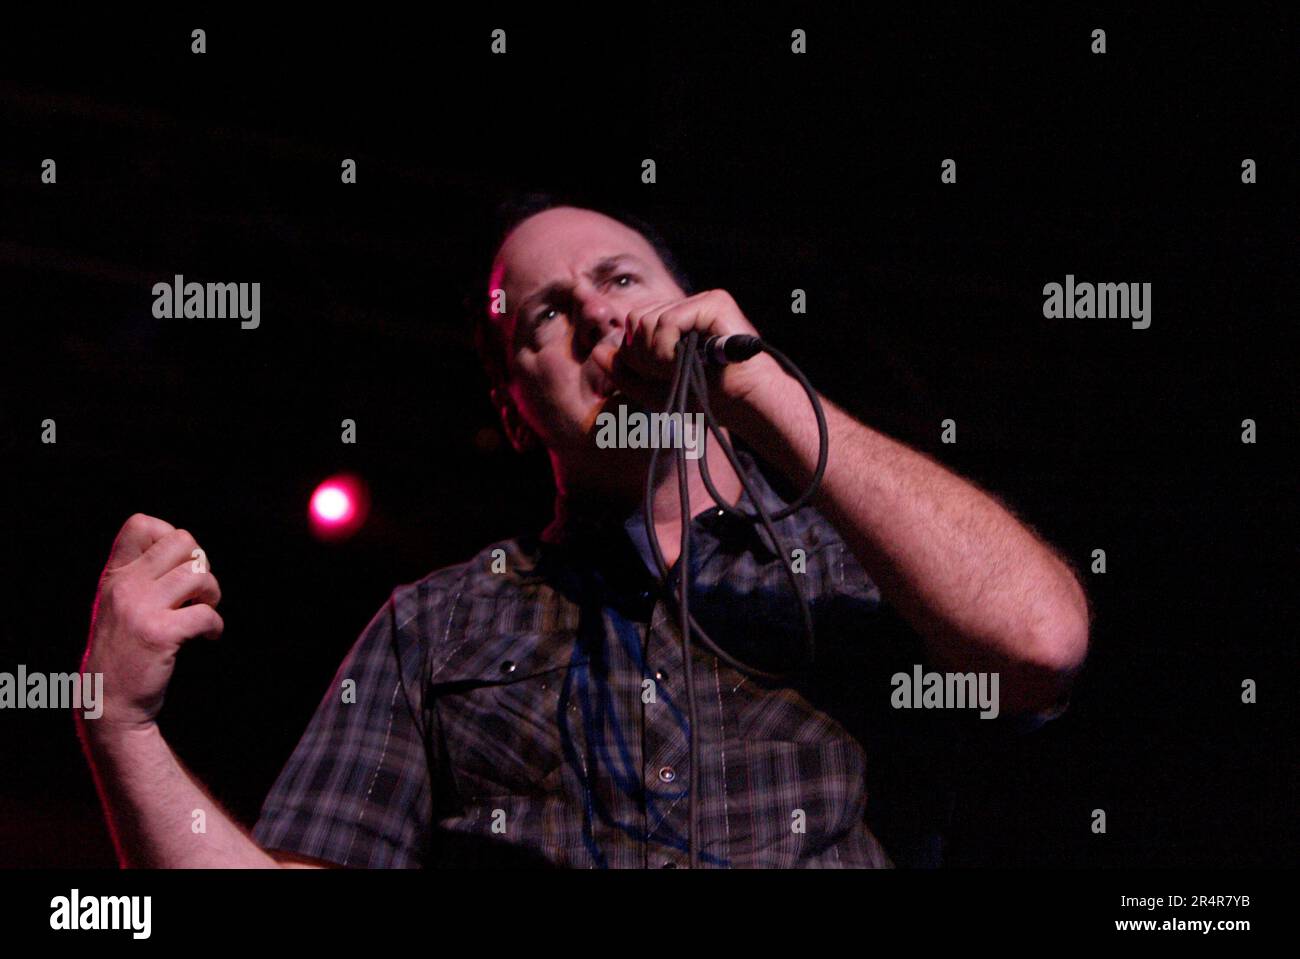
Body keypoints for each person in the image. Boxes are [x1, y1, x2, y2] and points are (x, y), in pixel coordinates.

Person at [76, 194, 1090, 868]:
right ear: (514, 406)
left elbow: (1038, 641)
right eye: (543, 316)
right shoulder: (437, 623)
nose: (597, 319)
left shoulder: (845, 559)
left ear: (690, 306)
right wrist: (121, 727)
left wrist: (762, 387)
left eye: (619, 279)